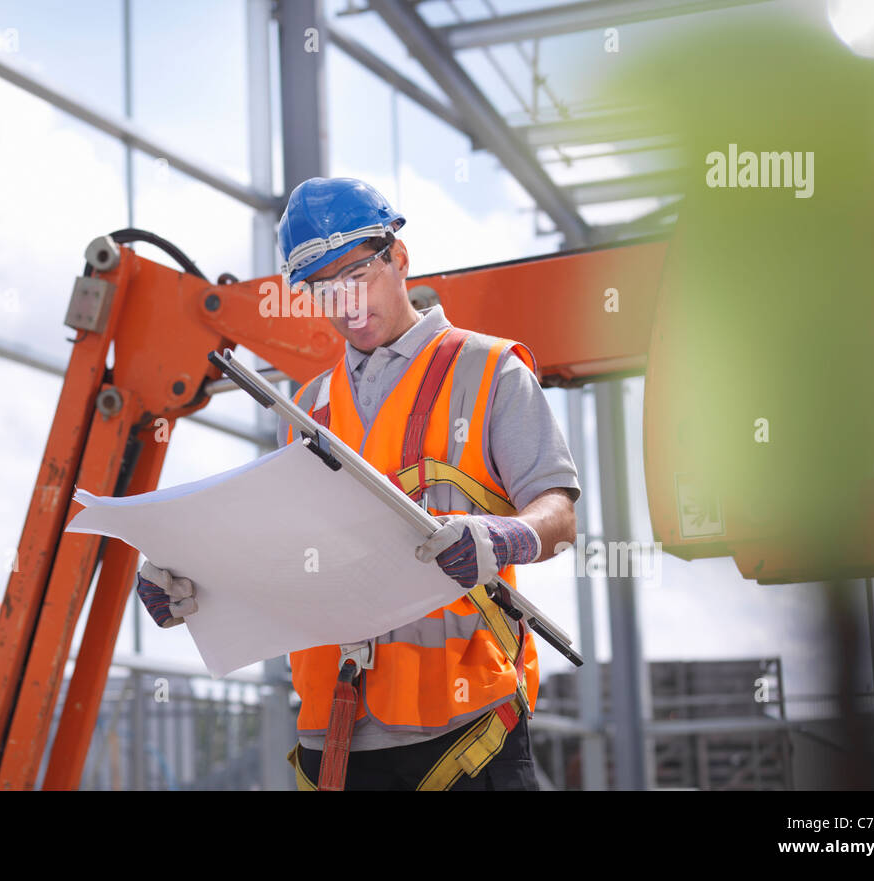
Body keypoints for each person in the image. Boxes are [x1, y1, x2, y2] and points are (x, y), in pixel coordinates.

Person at [138, 177, 580, 790]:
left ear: (399, 258)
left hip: (466, 731)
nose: (343, 303)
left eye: (356, 276)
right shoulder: (307, 408)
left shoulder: (489, 370)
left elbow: (558, 517)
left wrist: (500, 537)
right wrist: (190, 582)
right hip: (336, 740)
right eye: (322, 289)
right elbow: (282, 557)